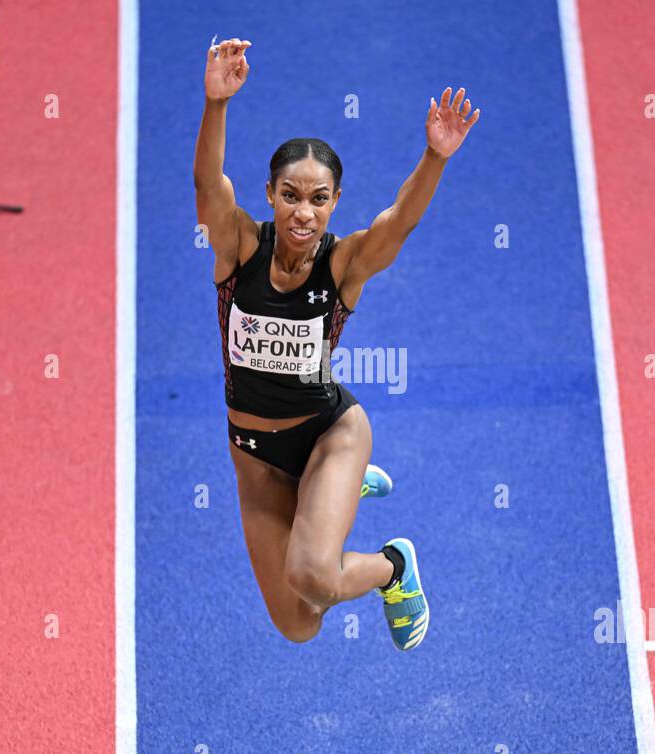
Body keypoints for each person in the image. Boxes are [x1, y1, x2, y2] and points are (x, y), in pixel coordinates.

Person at [193, 37, 479, 650]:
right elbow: (208, 185)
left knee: (315, 577)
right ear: (270, 194)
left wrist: (435, 157)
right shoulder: (239, 247)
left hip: (327, 431)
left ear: (334, 203)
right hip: (253, 455)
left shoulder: (342, 263)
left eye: (318, 199)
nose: (303, 212)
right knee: (299, 623)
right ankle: (334, 492)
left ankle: (394, 566)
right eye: (291, 196)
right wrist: (216, 104)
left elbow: (399, 220)